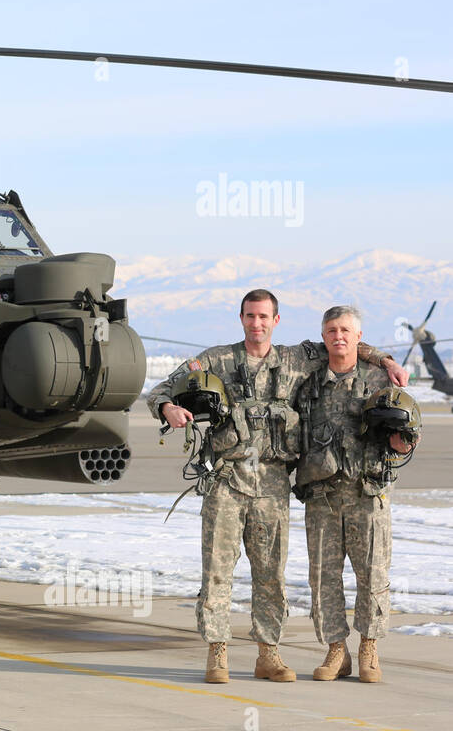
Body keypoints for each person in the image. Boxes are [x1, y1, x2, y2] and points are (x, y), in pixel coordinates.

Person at [147, 289, 406, 684]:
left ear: (276, 320)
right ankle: (218, 654)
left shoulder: (295, 359)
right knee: (217, 572)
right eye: (251, 316)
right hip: (227, 482)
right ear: (241, 318)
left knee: (270, 576)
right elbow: (160, 390)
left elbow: (343, 343)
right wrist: (169, 408)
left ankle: (268, 654)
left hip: (272, 486)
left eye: (264, 317)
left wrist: (384, 359)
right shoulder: (217, 359)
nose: (257, 324)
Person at [293, 306, 419, 683]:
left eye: (346, 330)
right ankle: (335, 651)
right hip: (323, 497)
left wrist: (401, 444)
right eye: (331, 330)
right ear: (323, 335)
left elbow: (409, 434)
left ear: (359, 336)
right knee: (323, 576)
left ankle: (369, 648)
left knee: (372, 574)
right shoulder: (310, 377)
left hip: (368, 493)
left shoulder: (381, 378)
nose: (339, 336)